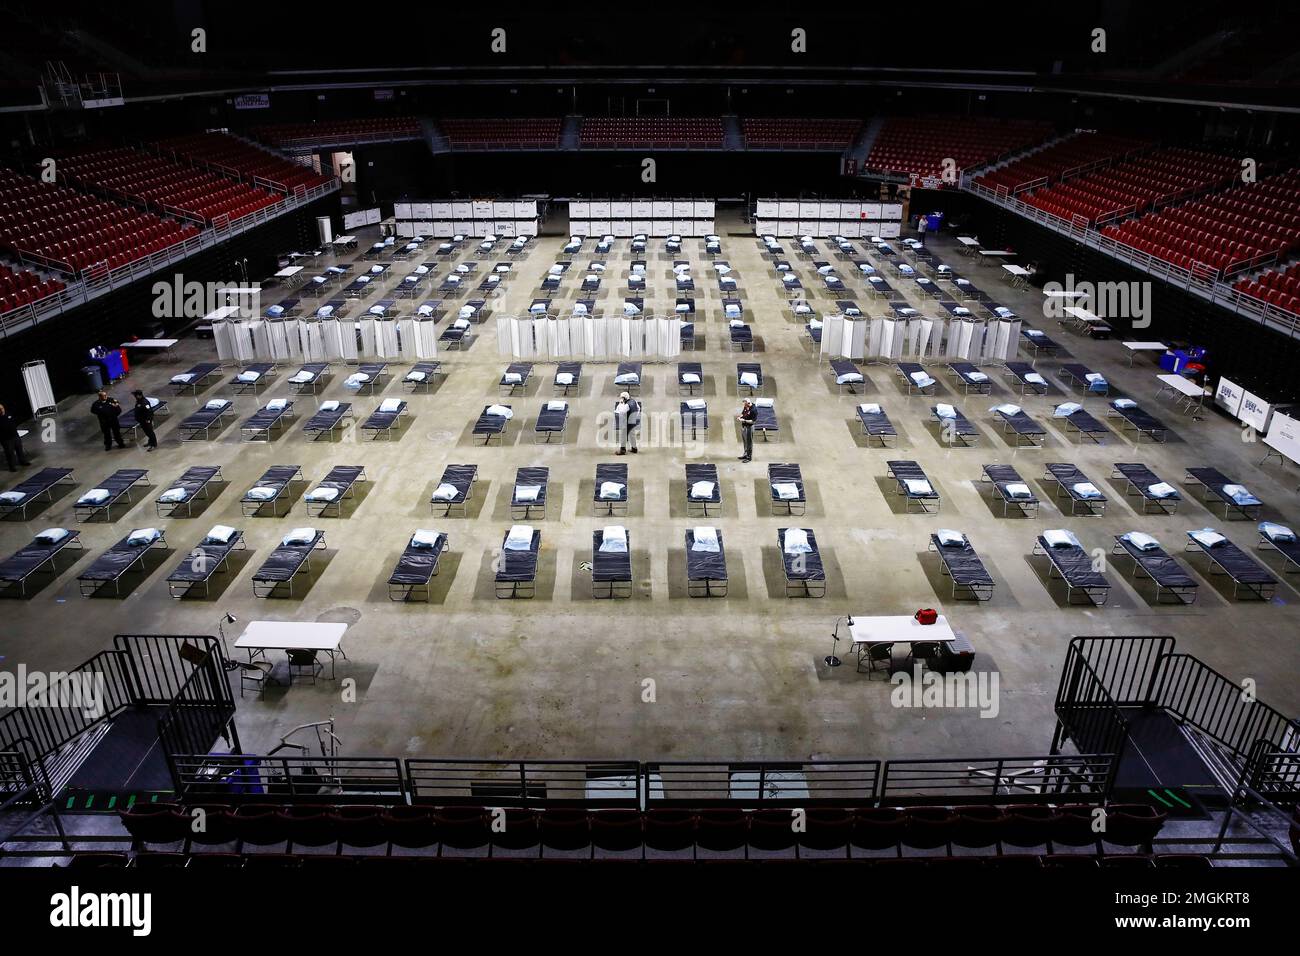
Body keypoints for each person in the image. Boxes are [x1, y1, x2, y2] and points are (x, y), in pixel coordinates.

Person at [0, 403, 32, 472]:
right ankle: (12, 467)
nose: (1, 410)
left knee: (19, 450)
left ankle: (23, 461)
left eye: (2, 408)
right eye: (0, 409)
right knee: (10, 453)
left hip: (15, 436)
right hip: (6, 439)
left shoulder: (9, 414)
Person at [614, 390, 640, 455]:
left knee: (623, 435)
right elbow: (638, 408)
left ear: (624, 398)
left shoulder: (627, 405)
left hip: (627, 422)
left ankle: (622, 450)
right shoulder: (634, 401)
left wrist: (621, 403)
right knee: (632, 435)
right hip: (633, 421)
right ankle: (634, 448)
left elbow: (622, 411)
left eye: (621, 398)